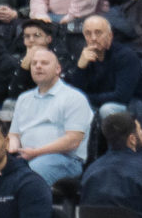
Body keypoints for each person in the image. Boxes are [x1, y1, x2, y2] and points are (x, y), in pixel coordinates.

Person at [10, 46, 94, 186]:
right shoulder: (23, 99)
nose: (38, 66)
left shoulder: (74, 98)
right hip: (26, 157)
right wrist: (11, 152)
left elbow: (73, 141)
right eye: (34, 63)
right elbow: (14, 135)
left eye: (44, 63)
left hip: (64, 159)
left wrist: (36, 152)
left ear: (58, 69)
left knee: (29, 176)